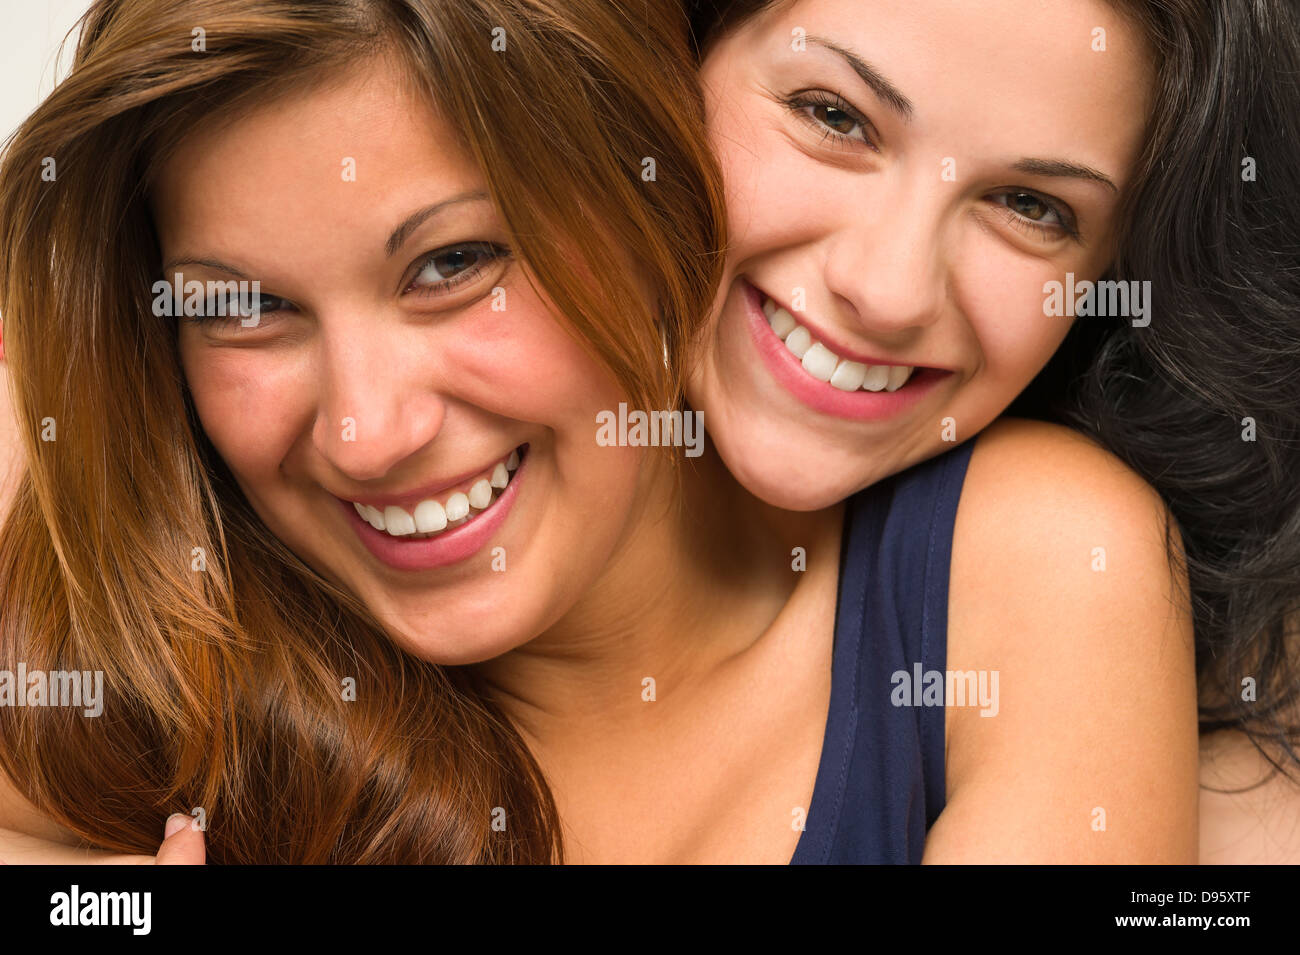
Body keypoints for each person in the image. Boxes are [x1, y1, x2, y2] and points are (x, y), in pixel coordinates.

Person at [0, 0, 1195, 864]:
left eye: (453, 265)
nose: (366, 434)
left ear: (655, 197)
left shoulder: (1034, 556)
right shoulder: (122, 637)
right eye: (244, 308)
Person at [686, 0, 1300, 863]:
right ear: (672, 54)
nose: (891, 290)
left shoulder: (1059, 557)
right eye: (834, 116)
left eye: (1028, 205)